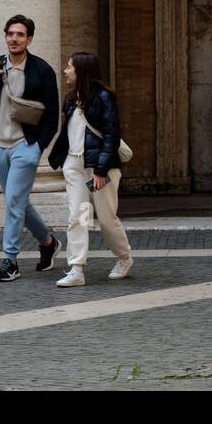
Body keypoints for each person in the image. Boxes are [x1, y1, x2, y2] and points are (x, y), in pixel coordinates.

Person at [0, 14, 62, 282]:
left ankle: (10, 260)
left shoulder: (42, 70)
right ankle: (48, 243)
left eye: (20, 35)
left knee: (13, 201)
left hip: (25, 145)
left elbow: (52, 113)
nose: (14, 39)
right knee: (18, 200)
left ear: (29, 39)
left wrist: (37, 146)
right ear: (5, 37)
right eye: (10, 34)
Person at [49, 50, 133, 288]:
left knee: (107, 219)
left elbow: (111, 136)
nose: (65, 71)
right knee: (78, 216)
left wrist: (99, 170)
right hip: (74, 165)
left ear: (81, 71)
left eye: (69, 67)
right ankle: (76, 269)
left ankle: (124, 258)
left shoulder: (104, 97)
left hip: (100, 168)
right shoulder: (70, 99)